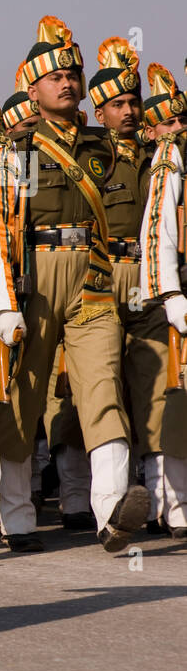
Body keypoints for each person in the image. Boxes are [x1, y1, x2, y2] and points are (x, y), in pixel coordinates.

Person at [0, 16, 148, 554]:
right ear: (33, 89)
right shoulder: (18, 148)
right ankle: (16, 515)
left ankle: (113, 512)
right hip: (39, 273)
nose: (69, 82)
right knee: (25, 398)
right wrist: (6, 304)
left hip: (93, 272)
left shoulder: (104, 146)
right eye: (57, 76)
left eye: (74, 73)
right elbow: (1, 228)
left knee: (102, 390)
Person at [88, 44, 187, 537]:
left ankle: (164, 505)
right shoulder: (88, 156)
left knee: (156, 387)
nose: (128, 111)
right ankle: (99, 497)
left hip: (146, 277)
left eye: (133, 102)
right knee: (101, 385)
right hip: (103, 278)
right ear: (97, 110)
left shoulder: (159, 156)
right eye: (117, 104)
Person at [137, 61, 187, 538]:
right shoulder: (169, 160)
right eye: (168, 122)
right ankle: (176, 505)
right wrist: (170, 292)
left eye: (181, 120)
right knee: (179, 399)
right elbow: (158, 231)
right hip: (181, 292)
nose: (178, 129)